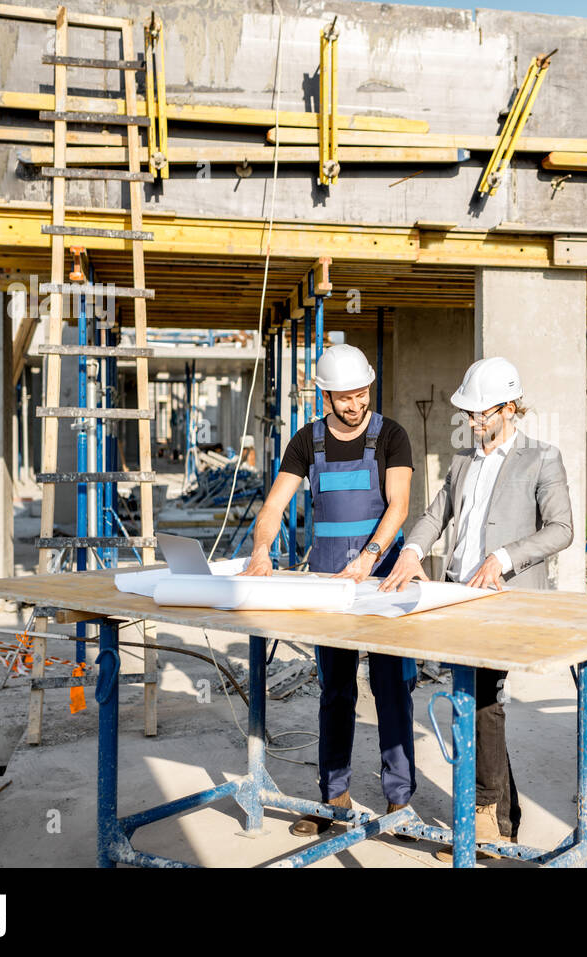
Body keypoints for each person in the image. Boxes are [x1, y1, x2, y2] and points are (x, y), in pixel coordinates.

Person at [379, 356, 574, 855]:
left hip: (504, 601)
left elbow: (561, 529)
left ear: (509, 407)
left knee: (481, 698)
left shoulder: (542, 457)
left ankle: (485, 815)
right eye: (469, 414)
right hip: (457, 596)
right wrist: (412, 550)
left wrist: (504, 557)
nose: (473, 422)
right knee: (477, 697)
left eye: (481, 413)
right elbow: (434, 513)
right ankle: (504, 819)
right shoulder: (464, 458)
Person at [240, 342, 417, 836]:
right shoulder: (306, 442)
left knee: (391, 689)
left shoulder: (392, 437)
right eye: (343, 397)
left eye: (361, 394)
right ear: (326, 396)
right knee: (335, 690)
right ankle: (332, 797)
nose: (354, 404)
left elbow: (399, 506)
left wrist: (369, 558)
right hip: (327, 584)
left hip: (382, 580)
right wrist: (261, 550)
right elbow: (275, 505)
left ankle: (399, 803)